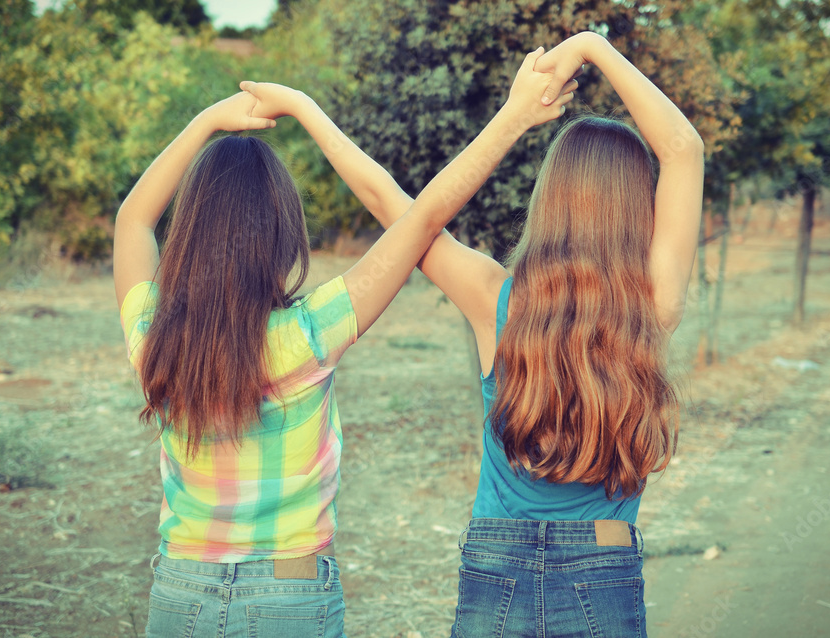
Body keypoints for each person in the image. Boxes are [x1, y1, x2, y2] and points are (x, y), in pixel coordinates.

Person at [113, 48, 575, 638]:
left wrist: (206, 123)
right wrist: (512, 117)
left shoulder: (154, 338)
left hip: (180, 593)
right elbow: (422, 215)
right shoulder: (311, 333)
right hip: (291, 596)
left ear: (190, 230)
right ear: (281, 233)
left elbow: (133, 220)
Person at [339, 32, 704, 637]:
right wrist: (594, 48)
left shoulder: (493, 298)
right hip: (602, 563)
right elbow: (684, 149)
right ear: (639, 207)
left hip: (495, 563)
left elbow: (394, 204)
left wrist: (306, 109)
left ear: (550, 198)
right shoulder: (652, 303)